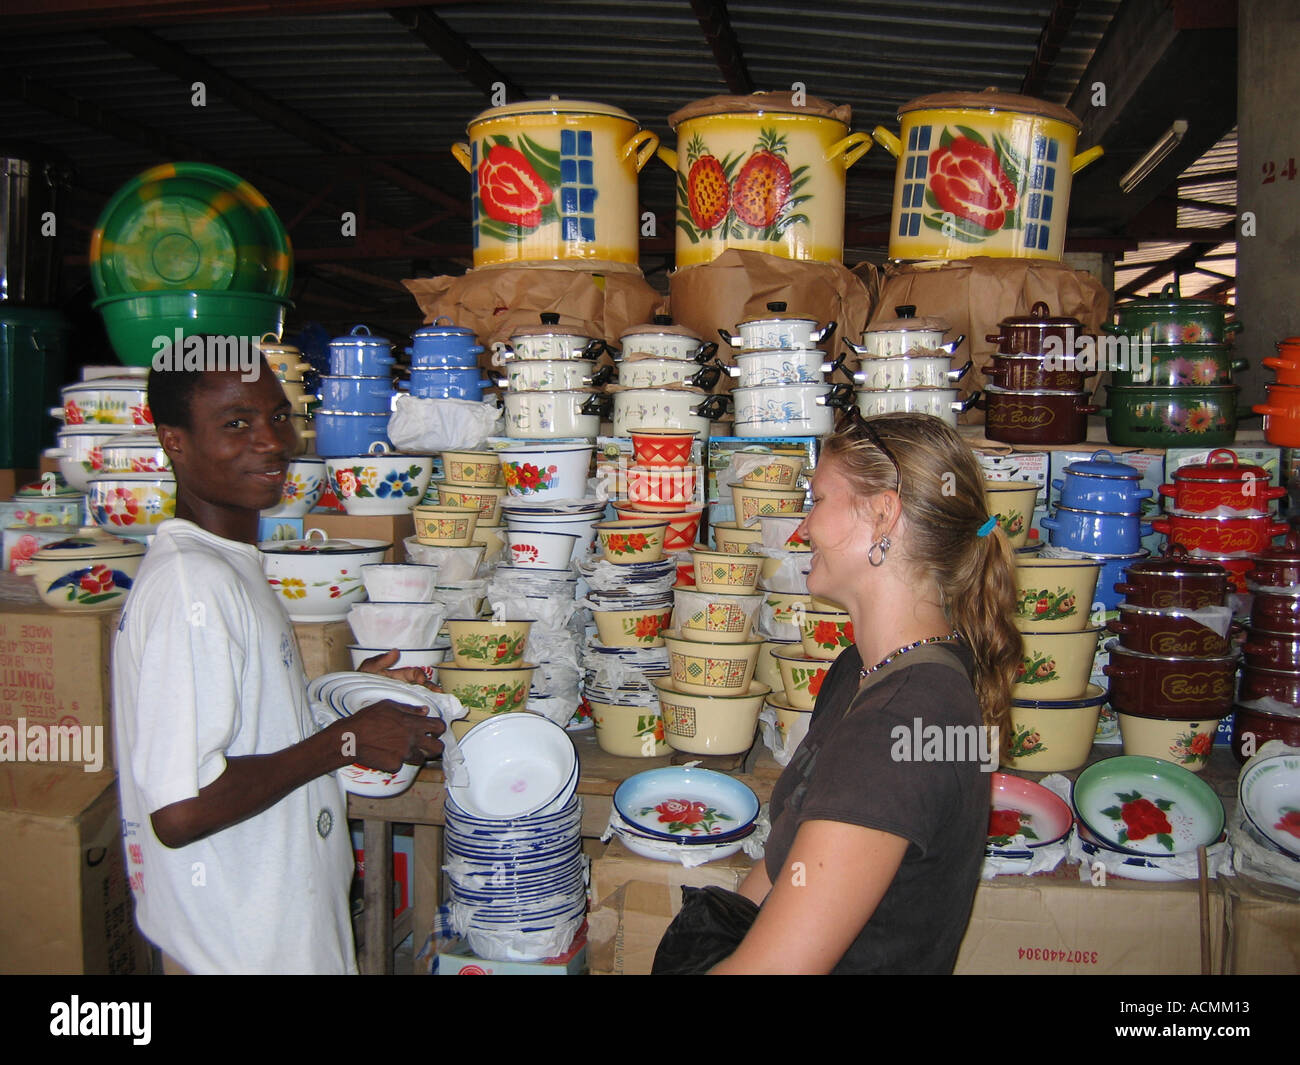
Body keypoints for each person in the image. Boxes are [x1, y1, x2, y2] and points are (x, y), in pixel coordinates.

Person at [112, 362, 444, 975]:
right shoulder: (196, 585)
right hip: (238, 951)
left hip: (277, 936)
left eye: (278, 416)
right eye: (236, 423)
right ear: (174, 441)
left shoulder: (228, 563)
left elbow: (245, 721)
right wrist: (345, 740)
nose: (271, 441)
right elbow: (182, 810)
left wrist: (344, 699)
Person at [707, 411, 1020, 974]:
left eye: (819, 500)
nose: (802, 529)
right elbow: (784, 867)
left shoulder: (897, 725)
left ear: (882, 515)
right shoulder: (863, 672)